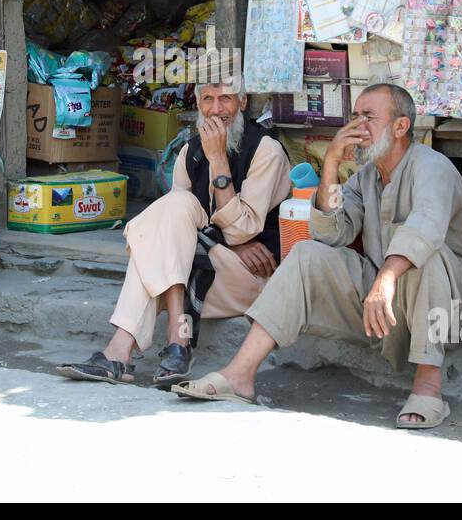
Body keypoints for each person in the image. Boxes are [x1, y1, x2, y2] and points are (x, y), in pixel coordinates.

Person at [173, 83, 462, 429]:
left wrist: (385, 277)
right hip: (390, 302)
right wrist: (332, 164)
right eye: (354, 116)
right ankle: (240, 375)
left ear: (400, 127)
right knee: (307, 253)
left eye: (369, 117)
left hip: (456, 307)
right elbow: (331, 232)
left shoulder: (432, 166)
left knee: (426, 255)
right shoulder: (366, 177)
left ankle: (428, 386)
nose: (357, 126)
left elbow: (426, 227)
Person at [60, 78, 292, 386]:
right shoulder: (189, 152)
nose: (216, 110)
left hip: (250, 279)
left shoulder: (266, 151)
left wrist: (219, 159)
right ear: (197, 105)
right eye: (208, 99)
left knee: (155, 249)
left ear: (243, 101)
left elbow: (241, 232)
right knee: (173, 209)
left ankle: (153, 344)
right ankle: (140, 349)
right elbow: (176, 226)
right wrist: (227, 242)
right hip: (202, 266)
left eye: (226, 99)